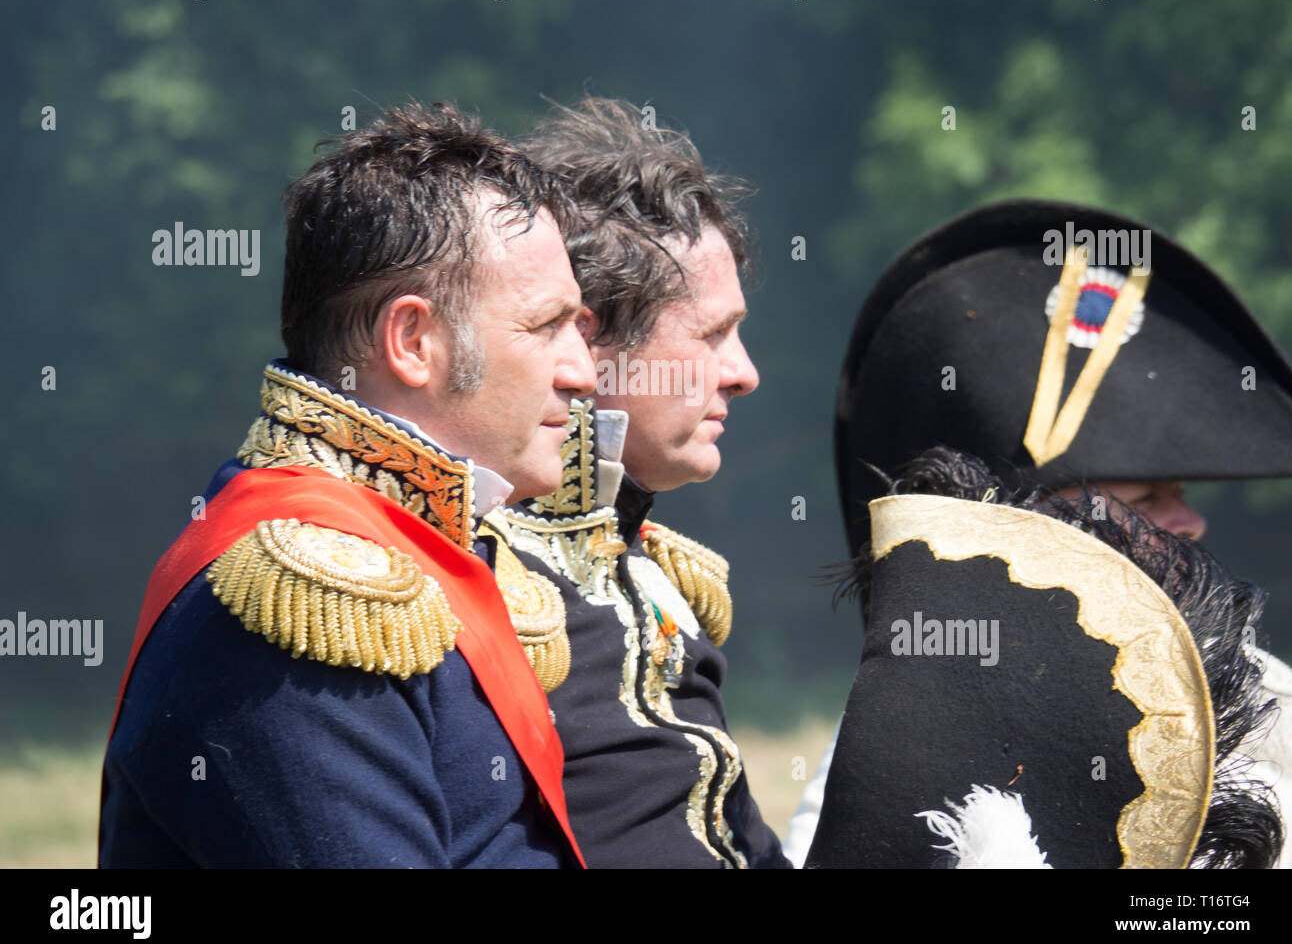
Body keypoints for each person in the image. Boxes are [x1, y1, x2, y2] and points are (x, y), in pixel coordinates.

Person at [99, 102, 597, 868]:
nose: (584, 373)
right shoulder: (310, 592)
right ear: (413, 341)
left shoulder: (416, 548)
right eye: (546, 326)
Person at [788, 198, 1292, 867]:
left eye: (1180, 491)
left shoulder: (1274, 702)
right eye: (1148, 494)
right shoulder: (894, 740)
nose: (1190, 520)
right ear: (1037, 524)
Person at [490, 97, 788, 868]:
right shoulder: (472, 575)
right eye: (714, 333)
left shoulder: (647, 568)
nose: (744, 373)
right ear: (592, 339)